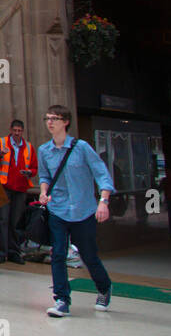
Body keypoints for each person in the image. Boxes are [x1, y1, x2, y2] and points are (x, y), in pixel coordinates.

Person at [38, 105, 114, 318]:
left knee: (89, 255)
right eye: (47, 118)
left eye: (55, 118)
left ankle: (104, 287)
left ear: (66, 122)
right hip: (57, 209)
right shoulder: (44, 150)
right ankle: (62, 300)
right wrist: (44, 192)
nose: (50, 122)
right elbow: (44, 177)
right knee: (58, 253)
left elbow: (102, 174)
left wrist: (104, 201)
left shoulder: (82, 148)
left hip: (83, 210)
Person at [0, 119, 35, 264]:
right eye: (14, 131)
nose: (17, 133)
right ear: (11, 130)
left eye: (19, 131)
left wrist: (29, 172)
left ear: (22, 131)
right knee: (3, 219)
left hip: (20, 187)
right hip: (4, 186)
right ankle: (1, 252)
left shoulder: (28, 147)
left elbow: (34, 167)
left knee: (15, 221)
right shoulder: (1, 143)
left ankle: (14, 251)